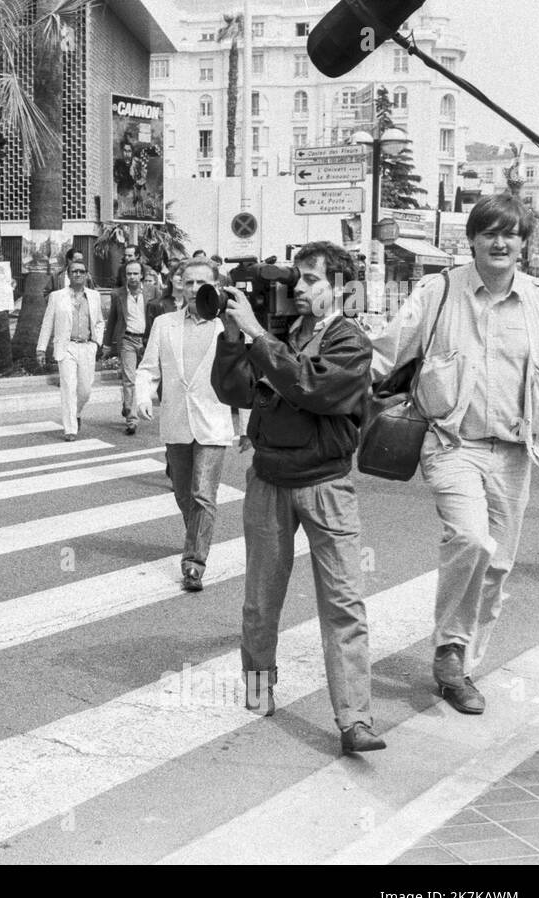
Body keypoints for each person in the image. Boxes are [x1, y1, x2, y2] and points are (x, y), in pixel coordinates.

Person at [370, 193, 539, 715]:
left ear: (523, 244)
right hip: (451, 442)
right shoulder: (438, 291)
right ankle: (450, 653)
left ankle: (462, 662)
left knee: (499, 564)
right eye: (488, 233)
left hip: (514, 451)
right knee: (470, 537)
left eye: (509, 234)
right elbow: (384, 350)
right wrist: (311, 385)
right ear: (473, 241)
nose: (499, 242)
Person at [211, 240, 386, 755]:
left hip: (326, 485)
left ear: (341, 289)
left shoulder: (351, 342)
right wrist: (230, 336)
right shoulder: (282, 335)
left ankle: (354, 719)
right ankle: (258, 688)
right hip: (268, 481)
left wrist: (260, 336)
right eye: (298, 279)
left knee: (343, 603)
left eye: (312, 280)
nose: (300, 288)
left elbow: (313, 387)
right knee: (261, 601)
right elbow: (235, 392)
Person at [136, 257, 244, 592]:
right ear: (179, 284)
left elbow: (245, 375)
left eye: (203, 283)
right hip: (176, 421)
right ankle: (195, 536)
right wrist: (143, 394)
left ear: (216, 286)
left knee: (202, 494)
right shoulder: (164, 323)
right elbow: (147, 367)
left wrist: (249, 425)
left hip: (213, 421)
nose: (195, 288)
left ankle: (194, 562)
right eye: (189, 281)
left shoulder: (226, 324)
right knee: (184, 494)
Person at [36, 258, 105, 441]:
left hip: (87, 346)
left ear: (86, 275)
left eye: (81, 271)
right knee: (68, 387)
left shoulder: (94, 296)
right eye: (74, 271)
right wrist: (41, 349)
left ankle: (76, 413)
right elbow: (47, 323)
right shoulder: (57, 296)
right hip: (66, 348)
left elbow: (99, 322)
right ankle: (70, 429)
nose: (78, 274)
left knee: (85, 390)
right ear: (68, 275)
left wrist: (97, 342)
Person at [103, 261, 148, 436]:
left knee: (144, 378)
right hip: (127, 339)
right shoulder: (118, 294)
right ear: (125, 276)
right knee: (129, 379)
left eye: (136, 273)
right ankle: (132, 420)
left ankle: (127, 404)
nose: (132, 277)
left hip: (145, 340)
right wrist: (107, 344)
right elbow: (112, 320)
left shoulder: (152, 292)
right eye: (129, 274)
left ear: (141, 275)